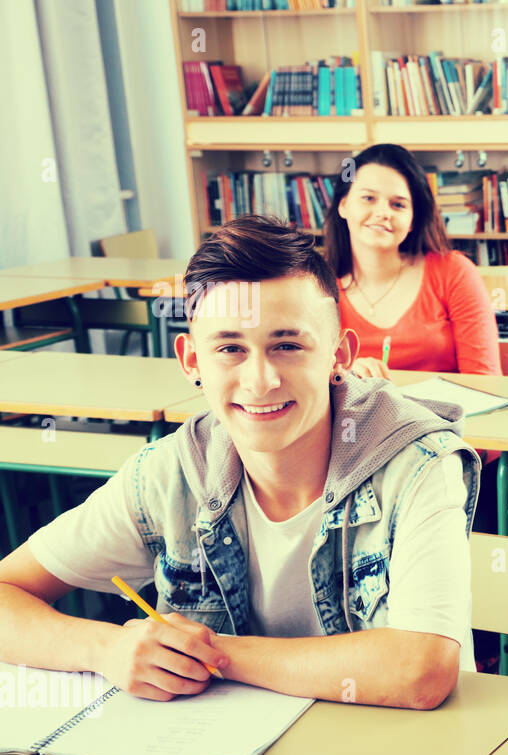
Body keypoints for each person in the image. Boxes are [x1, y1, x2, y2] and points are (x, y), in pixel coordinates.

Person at [0, 216, 480, 710]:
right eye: (230, 348)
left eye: (287, 345)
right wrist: (105, 648)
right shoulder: (170, 472)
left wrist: (210, 654)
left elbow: (421, 670)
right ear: (191, 361)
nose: (261, 380)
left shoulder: (418, 464)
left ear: (339, 355)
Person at [323, 143, 502, 379]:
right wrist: (341, 374)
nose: (383, 212)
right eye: (368, 198)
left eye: (398, 204)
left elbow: (484, 380)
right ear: (343, 205)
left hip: (443, 415)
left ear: (413, 220)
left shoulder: (454, 272)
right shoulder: (317, 284)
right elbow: (306, 379)